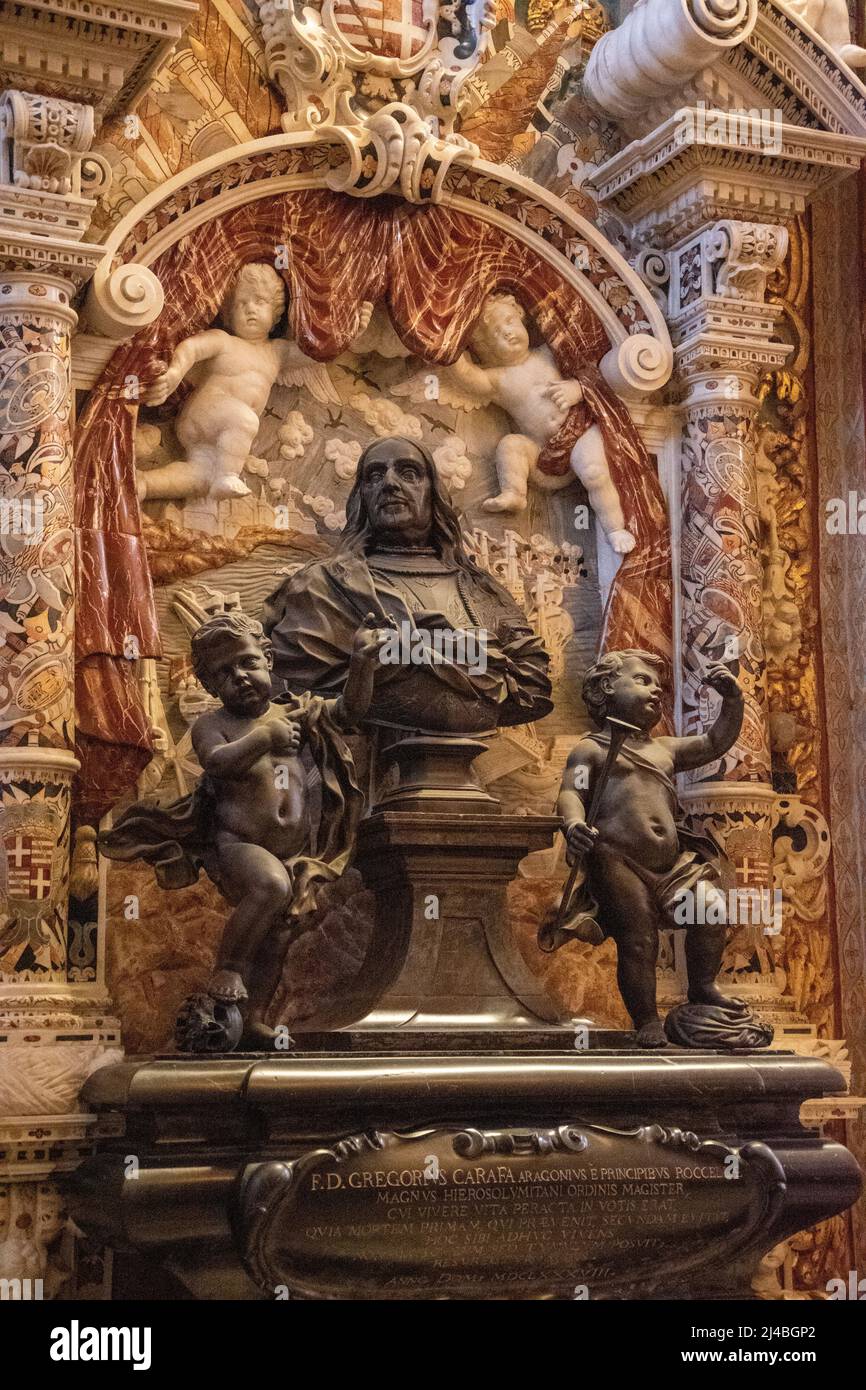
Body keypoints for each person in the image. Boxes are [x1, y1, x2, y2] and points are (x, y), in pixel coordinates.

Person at [100, 610, 388, 1049]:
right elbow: (217, 764)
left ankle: (253, 1019)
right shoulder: (213, 725)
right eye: (224, 673)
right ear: (211, 687)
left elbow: (350, 712)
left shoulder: (297, 713)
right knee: (270, 888)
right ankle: (229, 967)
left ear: (268, 658)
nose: (240, 677)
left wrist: (363, 663)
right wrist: (264, 739)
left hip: (294, 853)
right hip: (238, 844)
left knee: (279, 933)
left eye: (248, 663)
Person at [262, 436, 553, 737]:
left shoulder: (481, 588)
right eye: (374, 476)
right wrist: (469, 652)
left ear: (433, 493)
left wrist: (407, 650)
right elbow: (298, 673)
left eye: (409, 473)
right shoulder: (320, 588)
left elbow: (533, 680)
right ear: (362, 496)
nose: (389, 483)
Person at [545, 649, 745, 1047]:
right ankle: (647, 1020)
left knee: (711, 909)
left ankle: (702, 986)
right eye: (642, 680)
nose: (655, 690)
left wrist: (733, 700)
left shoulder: (666, 749)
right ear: (606, 688)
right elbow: (572, 791)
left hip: (673, 865)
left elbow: (714, 741)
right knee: (638, 939)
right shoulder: (591, 750)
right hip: (618, 861)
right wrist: (574, 823)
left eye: (658, 684)